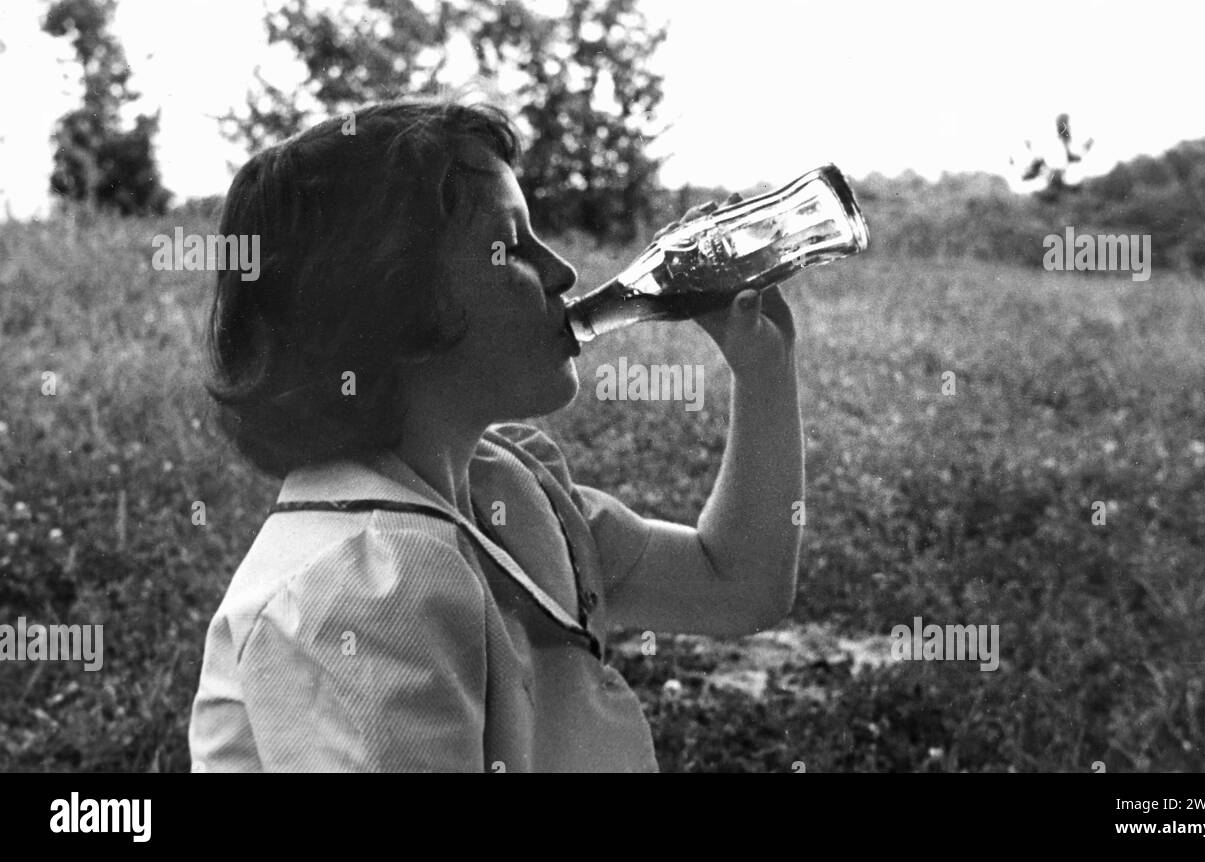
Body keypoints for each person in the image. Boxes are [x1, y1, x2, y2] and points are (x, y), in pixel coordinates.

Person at [188, 96, 804, 772]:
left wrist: (765, 373)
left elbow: (737, 584)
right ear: (395, 305)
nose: (564, 274)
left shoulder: (509, 494)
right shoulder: (361, 585)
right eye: (511, 247)